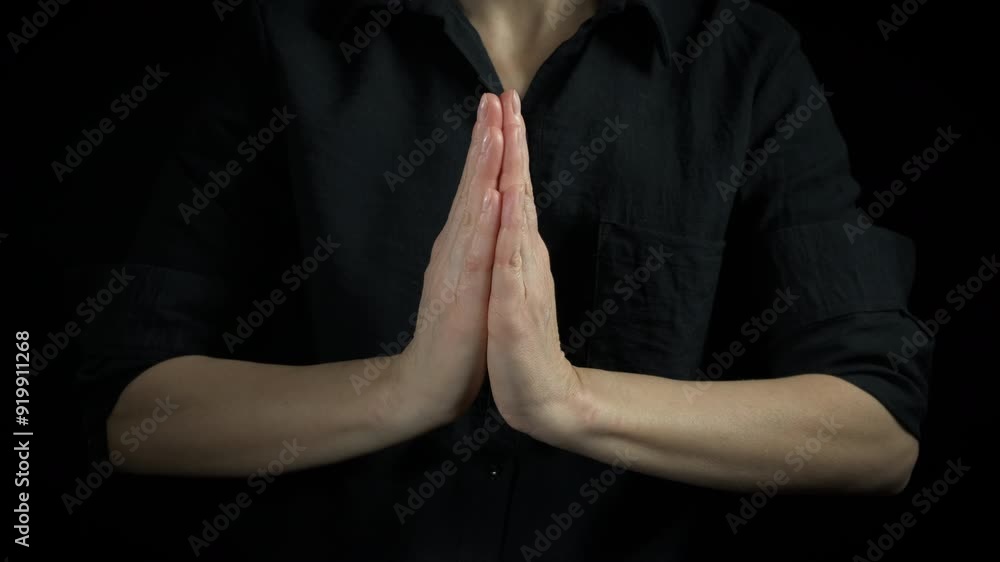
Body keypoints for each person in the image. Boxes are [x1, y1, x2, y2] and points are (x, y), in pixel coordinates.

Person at [76, 0, 931, 559]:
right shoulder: (288, 38)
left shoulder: (742, 57)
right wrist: (403, 392)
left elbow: (877, 432)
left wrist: (568, 401)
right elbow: (132, 414)